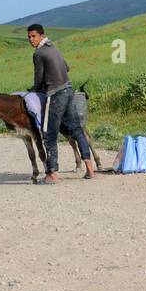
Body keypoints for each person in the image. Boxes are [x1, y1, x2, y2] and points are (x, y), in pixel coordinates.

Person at [27, 23, 94, 183]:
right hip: (68, 90)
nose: (31, 39)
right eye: (29, 37)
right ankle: (90, 169)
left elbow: (38, 79)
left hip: (55, 94)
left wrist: (34, 90)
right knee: (76, 130)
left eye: (33, 36)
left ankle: (52, 174)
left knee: (49, 134)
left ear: (41, 36)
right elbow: (67, 67)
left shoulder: (39, 53)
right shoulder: (53, 47)